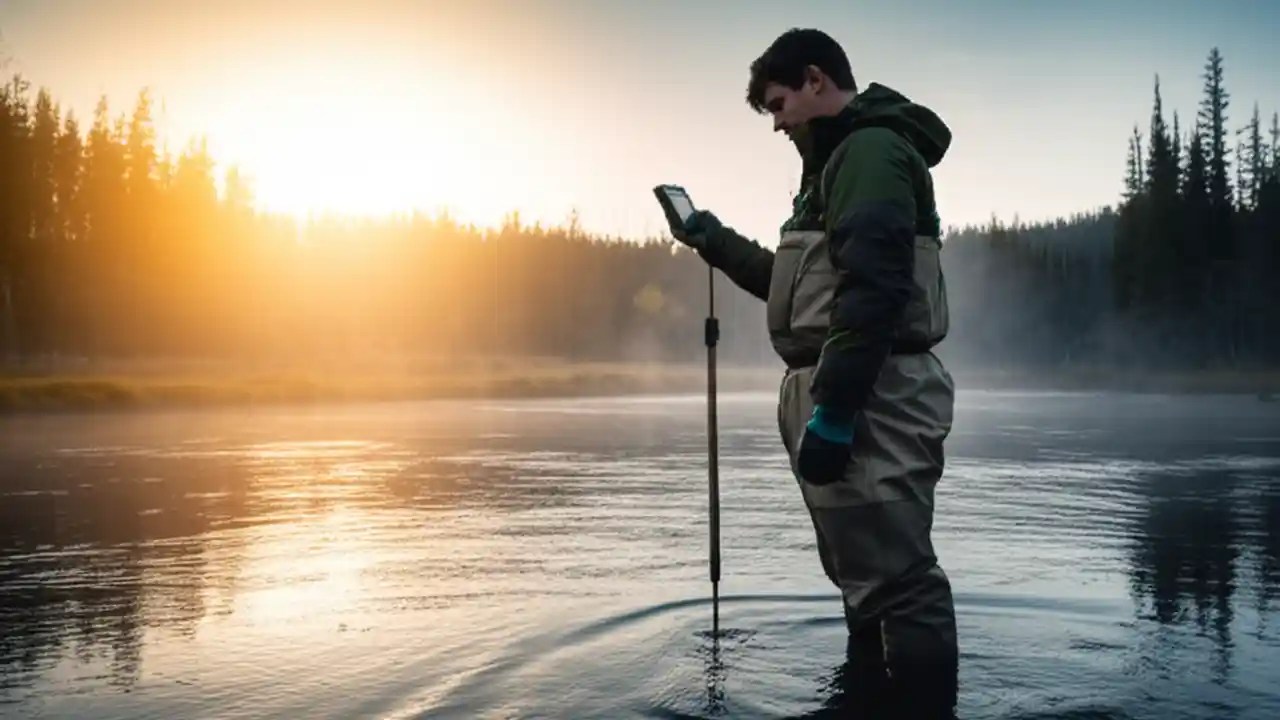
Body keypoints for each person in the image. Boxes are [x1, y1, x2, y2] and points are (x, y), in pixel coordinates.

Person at [672, 28, 959, 711]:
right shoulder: (834, 165)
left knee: (899, 579)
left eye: (778, 104)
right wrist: (711, 241)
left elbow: (876, 286)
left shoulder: (869, 152)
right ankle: (865, 698)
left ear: (814, 80)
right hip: (854, 385)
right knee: (863, 573)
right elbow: (800, 289)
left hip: (872, 394)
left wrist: (834, 410)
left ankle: (924, 707)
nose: (777, 123)